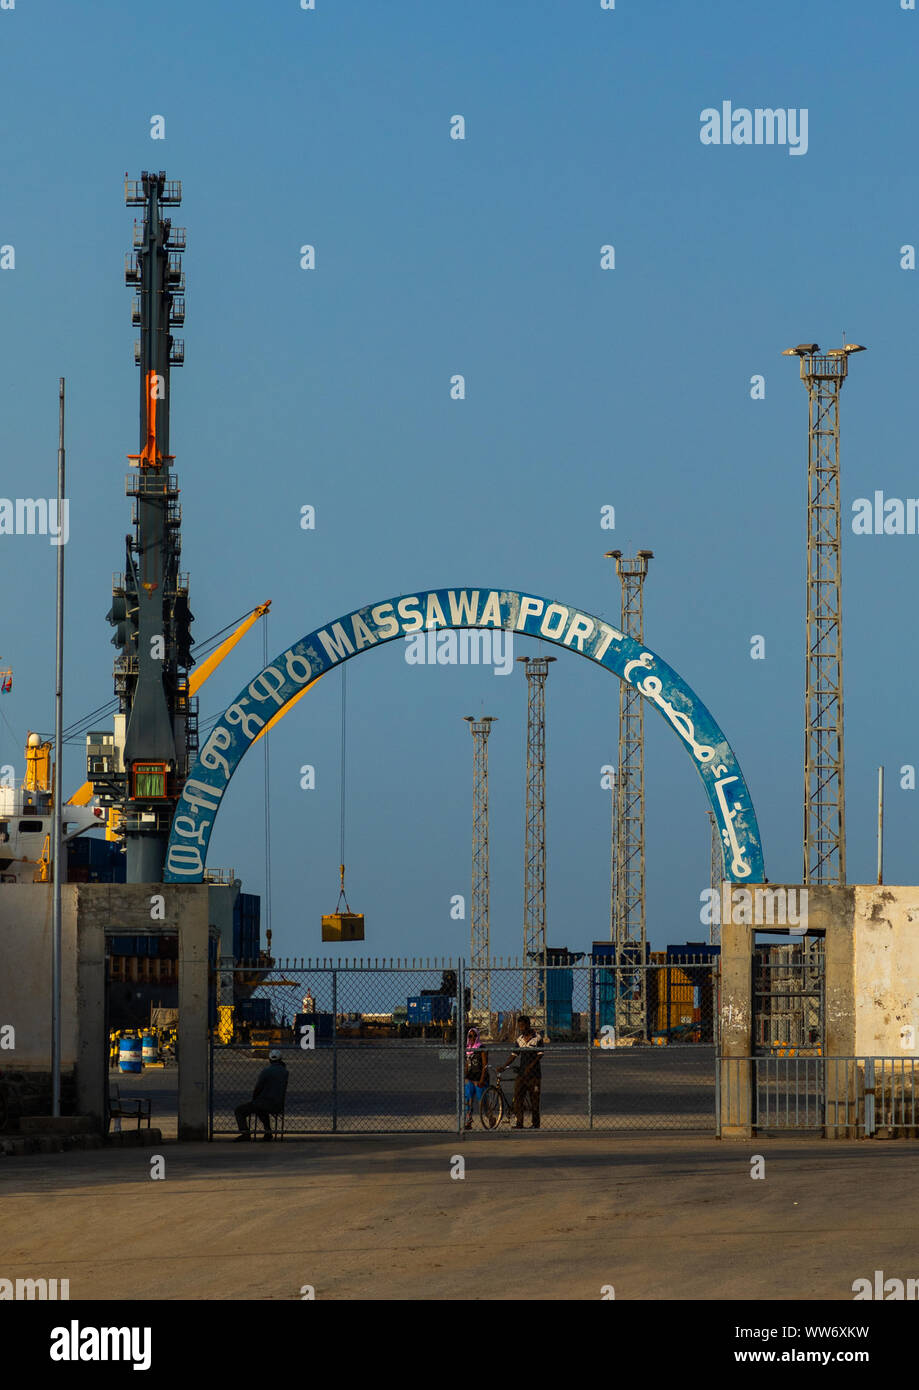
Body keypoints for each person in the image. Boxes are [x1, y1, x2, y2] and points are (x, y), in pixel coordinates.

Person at [499, 1015, 546, 1129]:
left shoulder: (537, 1038)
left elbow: (540, 1055)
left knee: (534, 1100)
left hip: (534, 1075)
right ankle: (519, 1122)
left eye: (523, 1026)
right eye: (520, 1026)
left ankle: (535, 1123)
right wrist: (504, 1066)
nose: (521, 1028)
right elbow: (514, 1055)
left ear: (528, 1025)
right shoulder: (519, 1040)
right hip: (522, 1074)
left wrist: (531, 1066)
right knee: (518, 1097)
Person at [234, 1049, 288, 1140]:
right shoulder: (285, 1072)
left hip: (264, 1102)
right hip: (278, 1104)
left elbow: (258, 1087)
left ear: (270, 1060)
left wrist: (254, 1098)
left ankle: (245, 1133)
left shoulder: (266, 1071)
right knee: (261, 1108)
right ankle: (268, 1132)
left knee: (239, 1110)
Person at [463, 1026, 489, 1129]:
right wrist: (466, 1076)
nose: (472, 1038)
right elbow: (467, 1064)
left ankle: (490, 1117)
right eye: (470, 1036)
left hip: (480, 1078)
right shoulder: (468, 1049)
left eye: (474, 1036)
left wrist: (482, 1079)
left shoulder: (481, 1048)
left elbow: (485, 1065)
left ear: (477, 1036)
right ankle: (468, 1121)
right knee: (468, 1100)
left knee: (481, 1101)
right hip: (470, 1078)